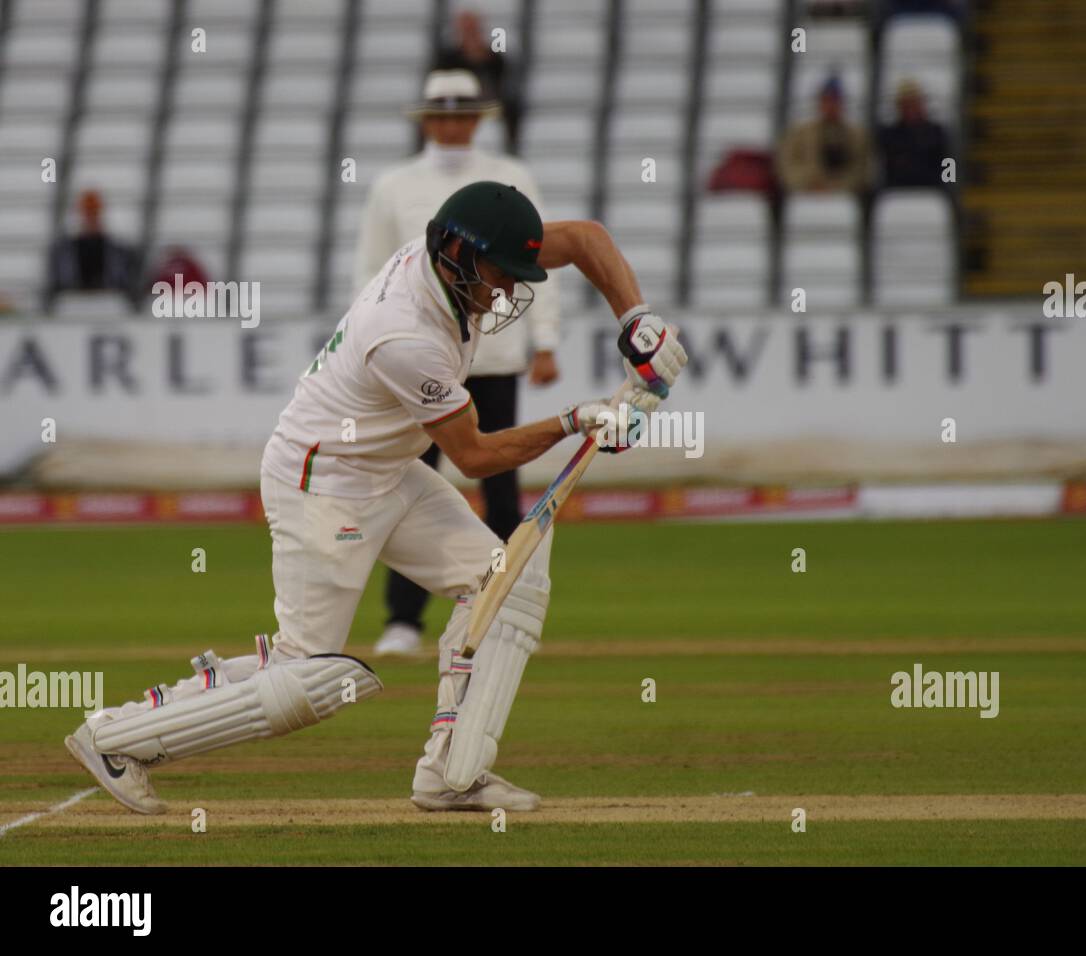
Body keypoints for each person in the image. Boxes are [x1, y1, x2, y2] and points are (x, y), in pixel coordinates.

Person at [64, 180, 688, 814]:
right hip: (324, 485)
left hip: (384, 468)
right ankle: (116, 737)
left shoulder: (455, 259)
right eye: (501, 275)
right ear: (460, 254)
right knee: (307, 678)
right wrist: (575, 421)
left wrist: (636, 321)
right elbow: (474, 456)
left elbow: (583, 239)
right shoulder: (404, 335)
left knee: (508, 583)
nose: (505, 291)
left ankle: (451, 772)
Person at [356, 69, 562, 658]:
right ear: (428, 121)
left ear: (478, 119)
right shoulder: (393, 185)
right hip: (417, 360)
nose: (453, 126)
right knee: (407, 486)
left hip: (494, 355)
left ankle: (503, 613)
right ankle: (403, 621)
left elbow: (535, 264)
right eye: (443, 116)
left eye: (463, 115)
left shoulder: (512, 175)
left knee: (500, 490)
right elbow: (370, 270)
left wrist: (545, 341)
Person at [436, 9, 522, 155]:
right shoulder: (448, 58)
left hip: (490, 108)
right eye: (465, 29)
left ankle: (511, 151)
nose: (469, 33)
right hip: (457, 106)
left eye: (472, 28)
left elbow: (502, 84)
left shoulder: (494, 57)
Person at [44, 189, 141, 311]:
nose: (90, 218)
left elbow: (126, 285)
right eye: (87, 213)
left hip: (108, 303)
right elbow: (57, 286)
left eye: (94, 213)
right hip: (74, 304)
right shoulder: (62, 252)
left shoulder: (120, 252)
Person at [776, 72, 871, 195]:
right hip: (806, 193)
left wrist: (839, 185)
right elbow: (786, 165)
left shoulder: (857, 135)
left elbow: (863, 168)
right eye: (826, 100)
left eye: (835, 101)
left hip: (844, 195)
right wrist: (807, 182)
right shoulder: (800, 133)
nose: (830, 106)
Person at [878, 79, 950, 188]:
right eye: (906, 104)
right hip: (897, 192)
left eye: (914, 103)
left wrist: (949, 188)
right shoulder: (888, 135)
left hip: (933, 191)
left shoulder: (938, 133)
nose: (911, 109)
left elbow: (949, 163)